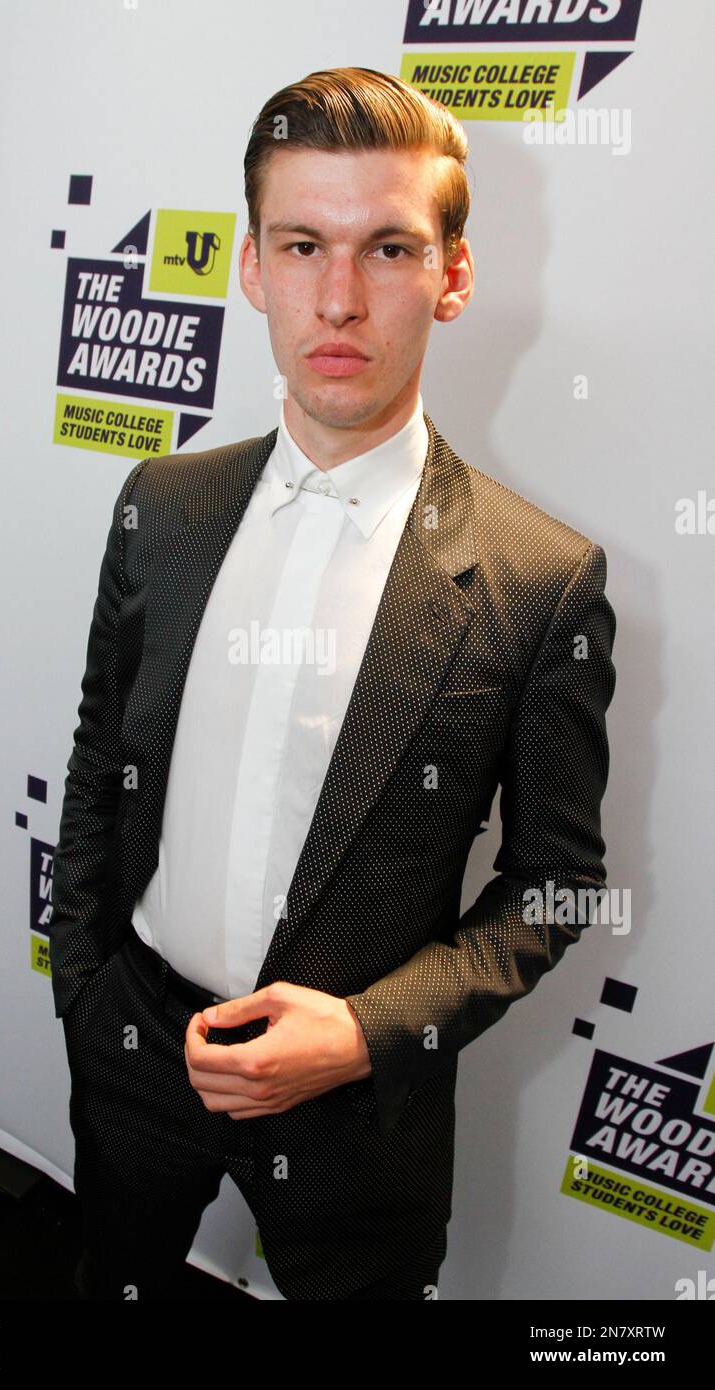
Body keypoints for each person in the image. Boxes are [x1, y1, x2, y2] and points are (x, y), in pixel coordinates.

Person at [49, 66, 617, 1301]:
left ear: (451, 276)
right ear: (251, 266)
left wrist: (363, 1035)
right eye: (302, 244)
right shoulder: (163, 504)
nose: (340, 297)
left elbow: (558, 888)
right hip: (135, 1051)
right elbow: (101, 760)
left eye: (389, 248)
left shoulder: (540, 582)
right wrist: (84, 993)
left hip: (362, 1118)